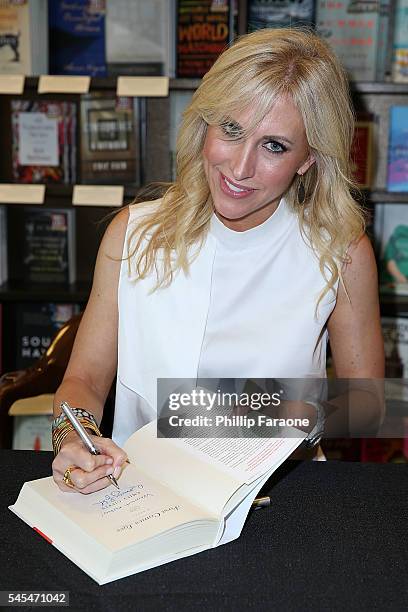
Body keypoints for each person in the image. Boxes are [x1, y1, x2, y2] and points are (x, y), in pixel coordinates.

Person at [51, 27, 384, 494]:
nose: (240, 168)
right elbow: (83, 380)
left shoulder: (341, 252)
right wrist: (74, 438)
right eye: (231, 129)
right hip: (137, 489)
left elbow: (366, 405)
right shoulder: (133, 232)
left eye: (275, 146)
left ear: (308, 159)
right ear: (206, 123)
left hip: (280, 489)